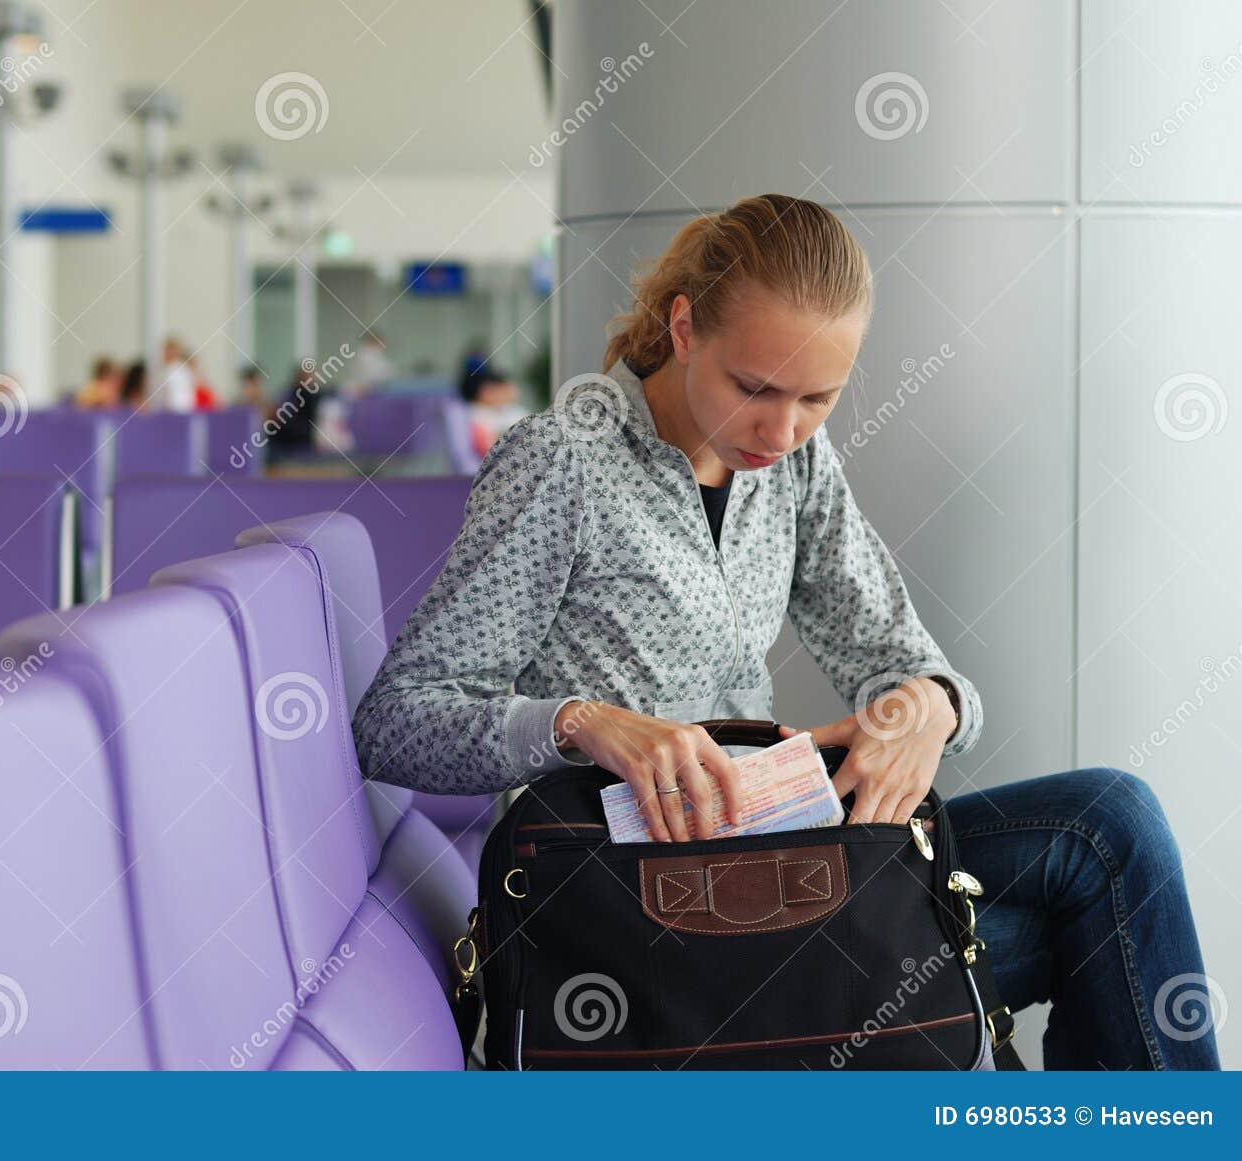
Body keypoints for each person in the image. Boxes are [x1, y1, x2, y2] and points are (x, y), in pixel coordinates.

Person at [352, 193, 1221, 1070]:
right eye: (754, 389)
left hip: (784, 865)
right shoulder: (561, 462)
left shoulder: (795, 463)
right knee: (1085, 911)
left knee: (1110, 825)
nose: (782, 429)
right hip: (638, 918)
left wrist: (926, 707)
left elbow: (895, 656)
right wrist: (585, 724)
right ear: (684, 328)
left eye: (819, 397)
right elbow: (395, 724)